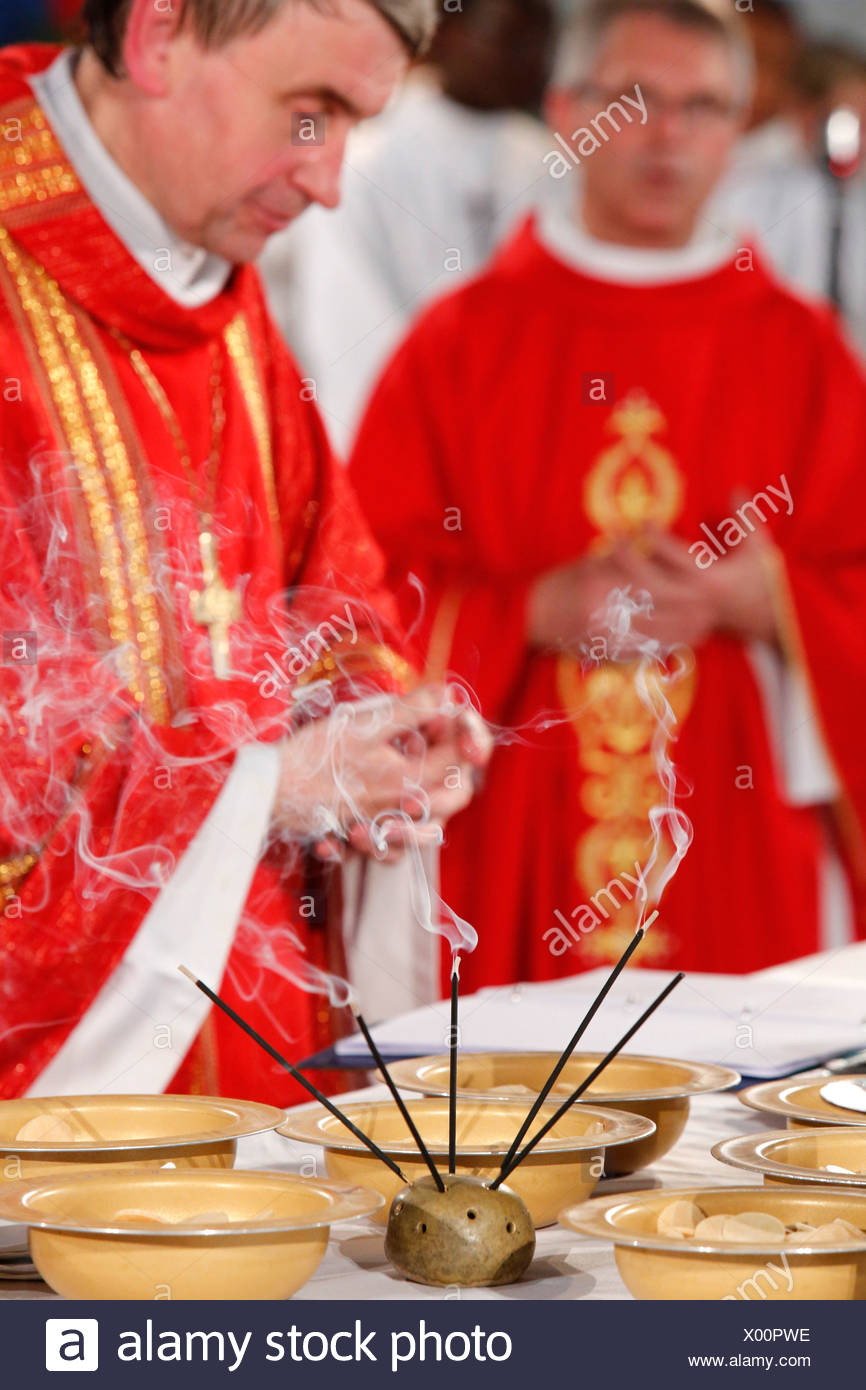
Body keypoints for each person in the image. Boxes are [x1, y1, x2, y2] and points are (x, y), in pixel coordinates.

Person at [0, 0, 489, 1104]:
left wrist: (370, 730)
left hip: (263, 1071)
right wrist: (268, 790)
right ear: (157, 33)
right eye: (308, 114)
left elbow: (331, 589)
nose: (327, 184)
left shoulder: (210, 268)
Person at [350, 0, 866, 996]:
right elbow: (356, 598)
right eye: (631, 101)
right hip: (517, 836)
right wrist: (528, 611)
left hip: (743, 836)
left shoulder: (803, 356)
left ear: (740, 126)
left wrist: (773, 602)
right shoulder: (457, 347)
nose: (666, 136)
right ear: (562, 108)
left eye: (701, 106)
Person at [262, 0, 558, 453]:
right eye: (503, 33)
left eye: (535, 40)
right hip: (376, 427)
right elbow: (334, 317)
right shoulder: (364, 155)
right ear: (445, 32)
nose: (521, 54)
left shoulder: (552, 164)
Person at [710, 38, 866, 356]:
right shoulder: (743, 182)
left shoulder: (856, 195)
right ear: (803, 111)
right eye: (848, 121)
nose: (859, 139)